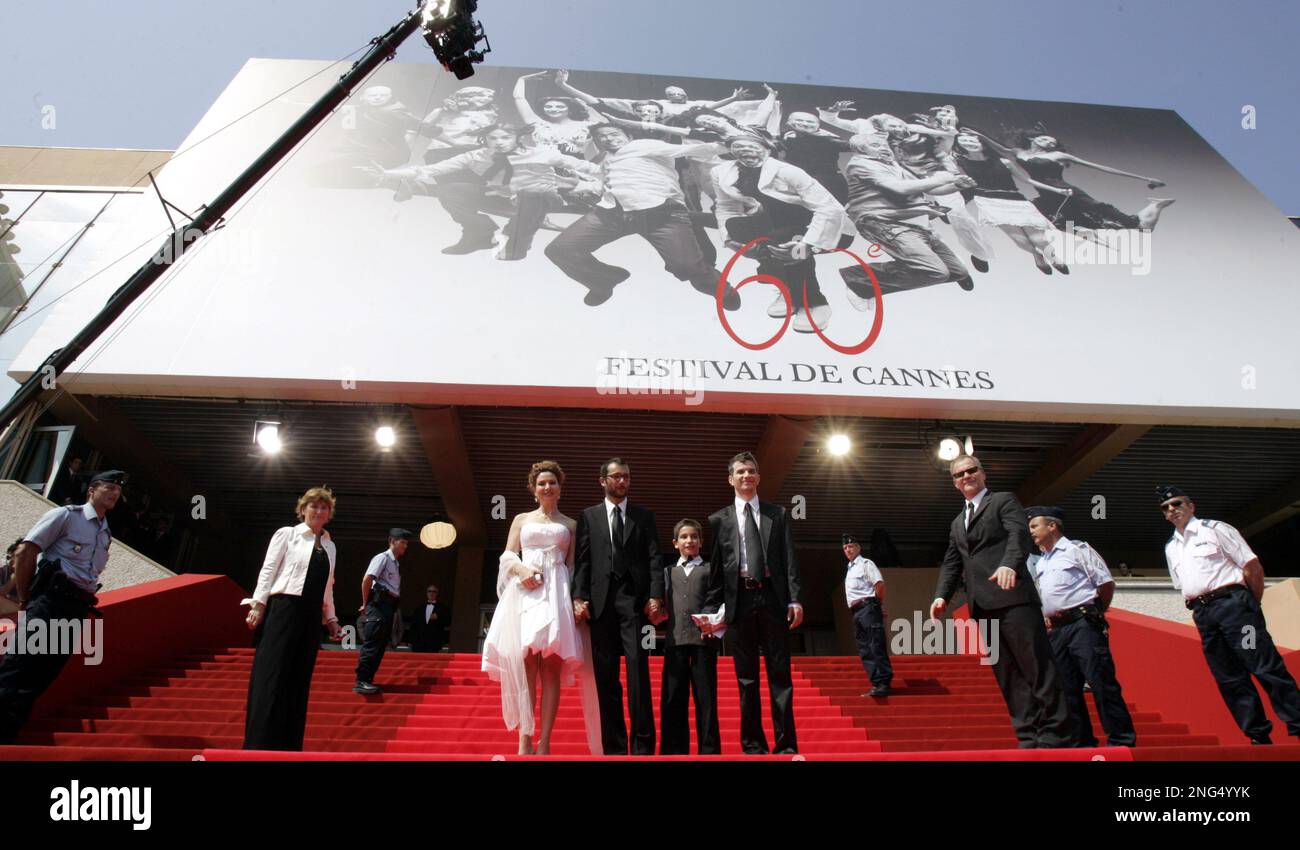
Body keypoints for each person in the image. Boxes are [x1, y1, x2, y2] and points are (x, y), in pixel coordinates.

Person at [929, 456, 1075, 748]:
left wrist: (1010, 564)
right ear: (955, 482)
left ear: (982, 474)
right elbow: (952, 561)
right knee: (1007, 674)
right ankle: (1028, 736)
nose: (967, 476)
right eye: (960, 474)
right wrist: (941, 595)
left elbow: (1018, 534)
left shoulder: (1003, 501)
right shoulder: (958, 522)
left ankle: (1057, 735)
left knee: (1037, 667)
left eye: (972, 470)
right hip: (982, 606)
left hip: (1014, 599)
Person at [1159, 485, 1300, 745]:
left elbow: (1251, 565)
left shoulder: (1215, 529)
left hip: (1233, 605)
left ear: (1191, 506)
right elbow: (1184, 585)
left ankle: (1297, 723)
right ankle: (1258, 736)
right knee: (1229, 677)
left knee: (1265, 665)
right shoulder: (1171, 547)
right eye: (1166, 508)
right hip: (1203, 613)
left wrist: (1250, 605)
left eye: (1177, 504)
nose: (1172, 510)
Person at [543, 125, 740, 309]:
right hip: (613, 213)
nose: (608, 139)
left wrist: (729, 144)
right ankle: (603, 280)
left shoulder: (643, 145)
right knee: (560, 250)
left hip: (661, 214)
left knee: (686, 266)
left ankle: (722, 289)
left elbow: (689, 150)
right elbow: (594, 172)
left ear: (629, 136)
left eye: (614, 134)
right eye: (601, 137)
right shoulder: (607, 159)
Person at [481, 461, 600, 755]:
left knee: (550, 670)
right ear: (534, 490)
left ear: (560, 488)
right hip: (524, 592)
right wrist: (521, 571)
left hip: (556, 594)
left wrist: (575, 601)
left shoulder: (571, 525)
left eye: (552, 483)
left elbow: (573, 568)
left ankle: (545, 740)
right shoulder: (521, 519)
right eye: (542, 483)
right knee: (526, 668)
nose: (547, 487)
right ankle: (524, 737)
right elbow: (508, 554)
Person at [0, 470, 126, 744]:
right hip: (50, 601)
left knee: (44, 673)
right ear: (91, 490)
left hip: (76, 607)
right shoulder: (68, 516)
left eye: (117, 490)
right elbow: (26, 551)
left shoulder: (105, 533)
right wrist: (25, 599)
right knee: (20, 667)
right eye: (108, 487)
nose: (114, 493)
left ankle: (8, 737)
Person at [361, 124, 600, 260]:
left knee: (532, 194)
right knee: (454, 189)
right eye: (492, 138)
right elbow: (432, 169)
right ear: (485, 140)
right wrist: (388, 174)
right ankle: (479, 234)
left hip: (544, 198)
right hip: (502, 198)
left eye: (505, 137)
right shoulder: (475, 156)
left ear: (517, 138)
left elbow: (586, 167)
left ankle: (516, 244)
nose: (499, 142)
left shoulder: (541, 153)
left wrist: (607, 182)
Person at [707, 452, 802, 754]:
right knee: (746, 678)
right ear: (730, 479)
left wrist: (795, 599)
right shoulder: (719, 520)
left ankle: (785, 744)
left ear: (758, 477)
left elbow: (789, 559)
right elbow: (717, 569)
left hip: (772, 597)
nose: (746, 476)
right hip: (740, 600)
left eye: (751, 471)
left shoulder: (778, 514)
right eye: (740, 472)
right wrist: (710, 612)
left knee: (780, 675)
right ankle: (752, 744)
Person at [713, 134, 851, 334]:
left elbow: (830, 209)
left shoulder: (789, 171)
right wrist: (728, 238)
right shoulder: (721, 172)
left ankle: (815, 303)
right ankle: (789, 290)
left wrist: (808, 244)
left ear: (767, 149)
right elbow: (726, 206)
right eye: (738, 146)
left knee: (789, 244)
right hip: (772, 224)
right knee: (737, 227)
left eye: (750, 145)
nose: (744, 150)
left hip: (818, 226)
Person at [242, 487, 343, 751]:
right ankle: (260, 743)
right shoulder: (287, 534)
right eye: (314, 506)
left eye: (324, 508)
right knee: (272, 675)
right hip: (283, 608)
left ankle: (288, 744)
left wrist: (330, 618)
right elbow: (268, 569)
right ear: (303, 509)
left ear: (329, 513)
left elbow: (328, 586)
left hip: (310, 617)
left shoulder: (330, 546)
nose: (319, 511)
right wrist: (259, 604)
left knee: (299, 678)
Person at [1026, 506, 1136, 747]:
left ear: (1052, 526)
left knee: (1101, 682)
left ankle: (1121, 740)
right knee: (1066, 690)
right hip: (1057, 631)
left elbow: (1105, 583)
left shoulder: (1077, 549)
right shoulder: (1042, 561)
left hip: (1083, 624)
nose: (1031, 531)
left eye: (1035, 526)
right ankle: (1082, 742)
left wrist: (1095, 612)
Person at [572, 458, 661, 755]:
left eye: (626, 477)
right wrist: (578, 596)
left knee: (638, 671)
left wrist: (655, 596)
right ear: (602, 480)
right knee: (605, 674)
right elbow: (583, 560)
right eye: (616, 477)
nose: (621, 482)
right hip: (600, 604)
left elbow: (654, 559)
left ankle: (643, 744)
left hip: (634, 602)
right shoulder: (589, 516)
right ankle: (614, 745)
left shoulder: (644, 516)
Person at [838, 133, 974, 311]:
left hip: (916, 222)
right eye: (875, 145)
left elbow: (926, 187)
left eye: (883, 144)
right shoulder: (861, 164)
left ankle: (867, 285)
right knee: (935, 272)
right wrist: (939, 178)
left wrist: (957, 185)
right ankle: (858, 277)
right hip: (883, 221)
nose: (884, 147)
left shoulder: (893, 165)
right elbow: (900, 189)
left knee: (958, 272)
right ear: (862, 150)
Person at [658, 519, 723, 755]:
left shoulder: (710, 569)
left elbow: (718, 600)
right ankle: (674, 751)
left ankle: (709, 751)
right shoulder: (667, 572)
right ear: (675, 543)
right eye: (684, 537)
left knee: (705, 699)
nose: (689, 541)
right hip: (674, 642)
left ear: (701, 541)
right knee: (673, 698)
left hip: (703, 643)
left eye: (694, 537)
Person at [354, 528, 414, 695]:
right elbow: (367, 579)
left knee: (380, 645)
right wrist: (365, 603)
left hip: (389, 606)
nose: (405, 546)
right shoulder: (382, 558)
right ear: (392, 541)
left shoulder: (395, 563)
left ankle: (368, 679)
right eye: (402, 542)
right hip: (378, 604)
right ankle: (362, 680)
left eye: (406, 543)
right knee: (373, 643)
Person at [843, 533, 892, 698]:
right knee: (864, 649)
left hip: (868, 607)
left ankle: (884, 682)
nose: (847, 550)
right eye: (845, 548)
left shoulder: (866, 563)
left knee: (875, 644)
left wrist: (877, 605)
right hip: (856, 611)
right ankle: (877, 683)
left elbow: (879, 584)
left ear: (858, 548)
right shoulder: (850, 569)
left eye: (850, 546)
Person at [512, 71, 604, 156]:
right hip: (541, 170)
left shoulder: (587, 126)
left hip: (574, 171)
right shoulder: (538, 124)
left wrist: (563, 85)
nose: (554, 109)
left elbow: (597, 104)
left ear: (570, 109)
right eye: (548, 107)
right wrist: (521, 80)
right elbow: (519, 98)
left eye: (560, 107)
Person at [414, 86, 499, 164]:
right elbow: (421, 128)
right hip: (441, 151)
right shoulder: (441, 112)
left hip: (469, 155)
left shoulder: (485, 117)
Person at [407, 584, 450, 652]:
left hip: (434, 642)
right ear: (426, 593)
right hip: (419, 642)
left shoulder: (442, 608)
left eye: (434, 591)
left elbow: (447, 622)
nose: (431, 593)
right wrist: (410, 641)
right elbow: (414, 625)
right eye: (429, 591)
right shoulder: (419, 608)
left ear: (437, 593)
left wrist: (438, 618)